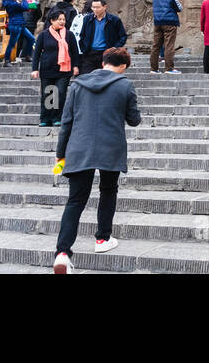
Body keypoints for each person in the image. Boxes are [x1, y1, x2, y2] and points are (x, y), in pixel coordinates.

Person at [52, 47, 142, 273]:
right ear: (123, 66)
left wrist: (60, 153)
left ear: (103, 63)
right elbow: (134, 120)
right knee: (108, 190)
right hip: (110, 147)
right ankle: (102, 238)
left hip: (79, 147)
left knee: (75, 201)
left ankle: (63, 252)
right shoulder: (124, 85)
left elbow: (67, 121)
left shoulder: (78, 84)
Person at [33, 10, 82, 126]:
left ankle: (57, 118)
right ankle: (45, 118)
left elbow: (75, 52)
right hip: (47, 68)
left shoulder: (69, 35)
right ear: (52, 21)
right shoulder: (44, 35)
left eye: (63, 19)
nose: (62, 22)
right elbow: (36, 53)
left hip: (64, 69)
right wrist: (35, 69)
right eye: (59, 19)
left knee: (60, 93)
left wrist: (76, 66)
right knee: (48, 93)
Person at [78, 0, 128, 74]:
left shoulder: (114, 20)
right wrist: (84, 48)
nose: (95, 9)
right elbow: (82, 35)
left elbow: (123, 36)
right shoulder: (87, 19)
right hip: (89, 53)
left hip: (106, 53)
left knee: (105, 77)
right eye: (93, 7)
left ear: (105, 7)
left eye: (98, 7)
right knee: (87, 77)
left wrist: (114, 48)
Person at [151, 0, 183, 73]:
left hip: (157, 23)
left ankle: (154, 69)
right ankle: (169, 68)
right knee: (169, 45)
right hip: (170, 23)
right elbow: (179, 8)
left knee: (156, 46)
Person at [1, 0, 34, 65]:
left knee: (32, 39)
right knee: (11, 43)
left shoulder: (10, 2)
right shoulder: (13, 4)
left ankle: (28, 56)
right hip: (15, 25)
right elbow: (25, 7)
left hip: (20, 24)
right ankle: (7, 60)